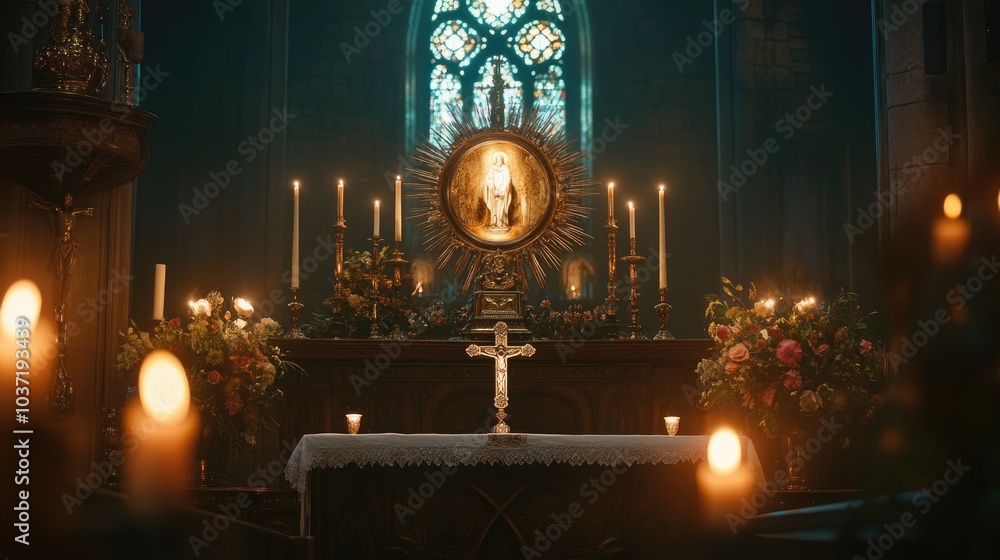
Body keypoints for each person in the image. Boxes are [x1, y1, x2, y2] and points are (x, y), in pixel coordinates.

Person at [482, 151, 513, 229]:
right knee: (494, 208)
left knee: (502, 207)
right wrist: (493, 187)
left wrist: (503, 189)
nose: (499, 161)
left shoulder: (505, 168)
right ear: (495, 160)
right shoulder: (493, 168)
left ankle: (503, 223)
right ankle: (494, 223)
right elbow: (488, 179)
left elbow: (508, 179)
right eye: (498, 159)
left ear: (503, 160)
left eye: (500, 159)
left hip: (503, 192)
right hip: (494, 192)